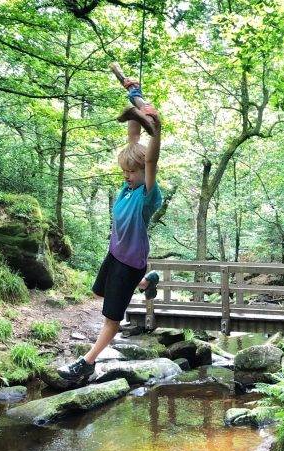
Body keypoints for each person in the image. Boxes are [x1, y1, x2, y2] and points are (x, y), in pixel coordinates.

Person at [57, 78, 162, 381]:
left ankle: (86, 362)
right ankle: (146, 282)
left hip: (130, 261)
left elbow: (151, 156)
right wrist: (134, 94)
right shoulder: (126, 189)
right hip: (116, 255)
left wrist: (158, 128)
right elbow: (133, 135)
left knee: (111, 317)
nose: (128, 175)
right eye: (126, 171)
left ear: (145, 172)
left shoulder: (146, 197)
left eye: (133, 171)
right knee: (101, 292)